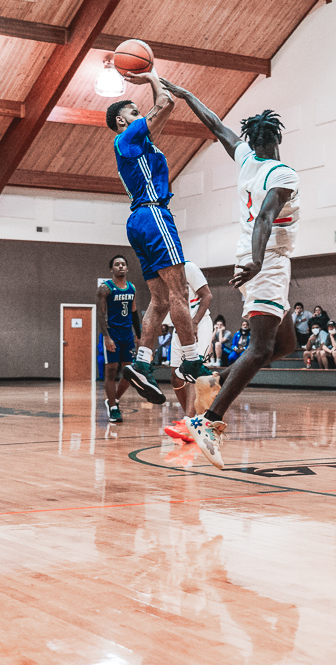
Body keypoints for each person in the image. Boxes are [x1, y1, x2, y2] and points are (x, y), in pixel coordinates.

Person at [162, 78, 300, 469]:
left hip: (263, 262)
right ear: (276, 139)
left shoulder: (245, 160)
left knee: (283, 345)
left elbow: (216, 125)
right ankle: (210, 421)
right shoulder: (283, 173)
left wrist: (189, 95)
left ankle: (209, 382)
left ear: (252, 141)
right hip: (266, 260)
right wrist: (257, 260)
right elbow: (266, 219)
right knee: (259, 349)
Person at [106, 71, 211, 405]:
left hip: (138, 220)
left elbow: (162, 114)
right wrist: (152, 75)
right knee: (179, 291)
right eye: (135, 112)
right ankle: (192, 358)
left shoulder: (139, 144)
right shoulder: (126, 138)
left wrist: (158, 98)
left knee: (161, 299)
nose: (142, 115)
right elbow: (165, 103)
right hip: (153, 215)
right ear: (122, 120)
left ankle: (141, 364)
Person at [164, 261, 214, 431]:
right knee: (175, 375)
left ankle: (189, 420)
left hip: (198, 324)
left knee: (192, 371)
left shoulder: (189, 268)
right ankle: (194, 417)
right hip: (179, 327)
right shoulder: (160, 274)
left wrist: (195, 322)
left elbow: (207, 295)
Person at [96, 254, 142, 423]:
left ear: (127, 268)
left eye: (123, 264)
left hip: (127, 334)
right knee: (111, 370)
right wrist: (106, 337)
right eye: (117, 264)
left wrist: (138, 334)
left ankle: (112, 400)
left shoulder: (132, 287)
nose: (121, 266)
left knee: (130, 372)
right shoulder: (105, 288)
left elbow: (134, 312)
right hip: (112, 333)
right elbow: (101, 314)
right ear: (111, 269)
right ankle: (114, 408)